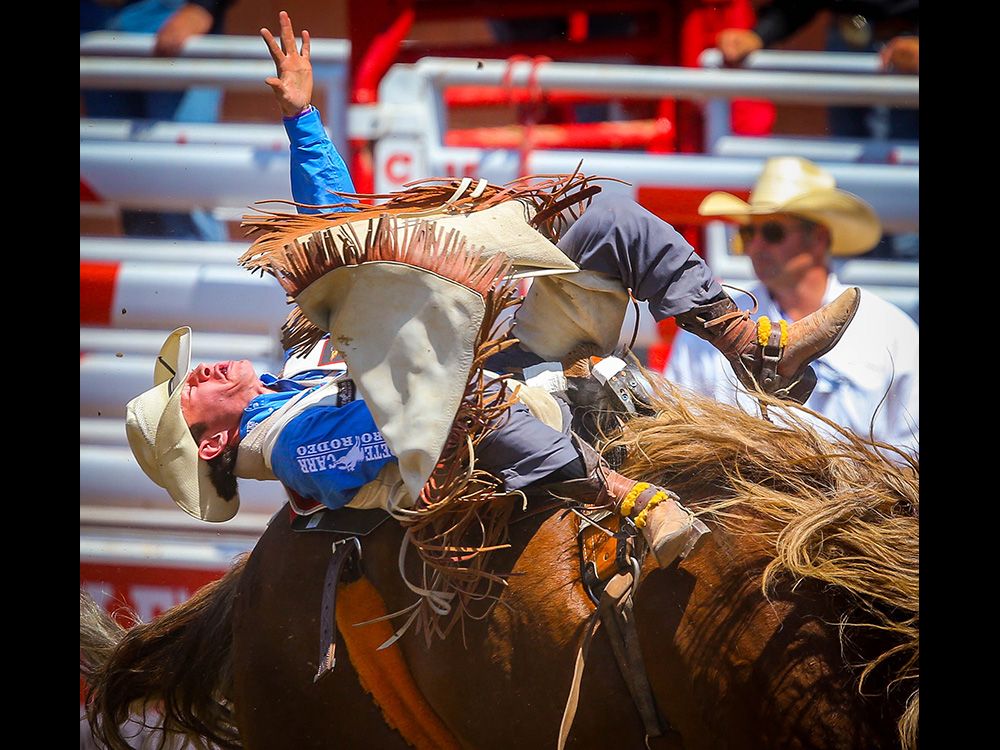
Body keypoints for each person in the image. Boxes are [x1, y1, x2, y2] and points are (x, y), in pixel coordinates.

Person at [124, 13, 864, 572]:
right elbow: (404, 428)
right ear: (214, 442)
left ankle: (749, 344)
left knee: (602, 219)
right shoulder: (293, 450)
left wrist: (301, 119)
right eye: (186, 395)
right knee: (454, 403)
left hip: (490, 373)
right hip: (471, 426)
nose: (201, 370)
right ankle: (629, 500)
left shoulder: (295, 390)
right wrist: (433, 353)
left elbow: (335, 236)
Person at [665, 155, 918, 458]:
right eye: (748, 233)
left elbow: (908, 453)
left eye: (773, 232)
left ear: (819, 238)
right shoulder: (713, 322)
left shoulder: (889, 331)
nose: (756, 247)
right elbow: (678, 428)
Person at [81, 0, 234, 240]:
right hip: (93, 23)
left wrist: (203, 7)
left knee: (182, 183)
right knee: (129, 187)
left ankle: (202, 274)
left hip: (171, 17)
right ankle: (148, 275)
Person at [714, 0, 918, 140]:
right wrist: (760, 35)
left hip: (906, 51)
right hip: (843, 44)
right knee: (846, 165)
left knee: (897, 170)